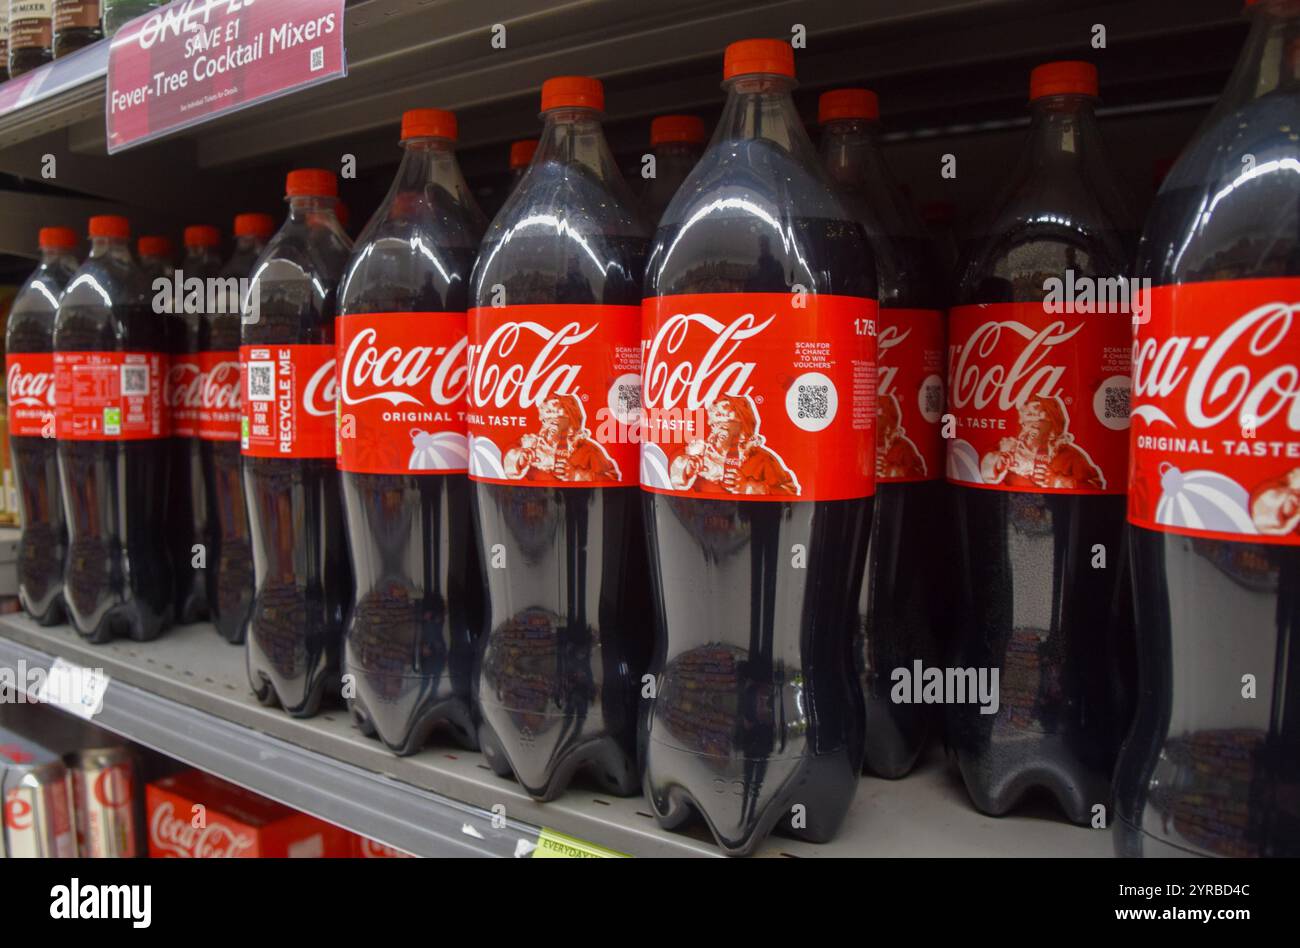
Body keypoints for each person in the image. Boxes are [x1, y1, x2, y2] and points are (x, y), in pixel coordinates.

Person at [670, 395, 800, 495]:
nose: (713, 435)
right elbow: (672, 477)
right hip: (698, 519)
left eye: (724, 429)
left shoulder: (762, 460)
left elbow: (790, 492)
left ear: (743, 433)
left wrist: (748, 487)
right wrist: (687, 469)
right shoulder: (702, 457)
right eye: (714, 426)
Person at [979, 394, 1105, 490]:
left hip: (1059, 513)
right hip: (1009, 511)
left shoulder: (1069, 456)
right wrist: (997, 465)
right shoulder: (1009, 448)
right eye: (1026, 422)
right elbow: (980, 470)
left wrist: (1058, 481)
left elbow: (1096, 487)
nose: (1028, 428)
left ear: (1053, 430)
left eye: (1037, 423)